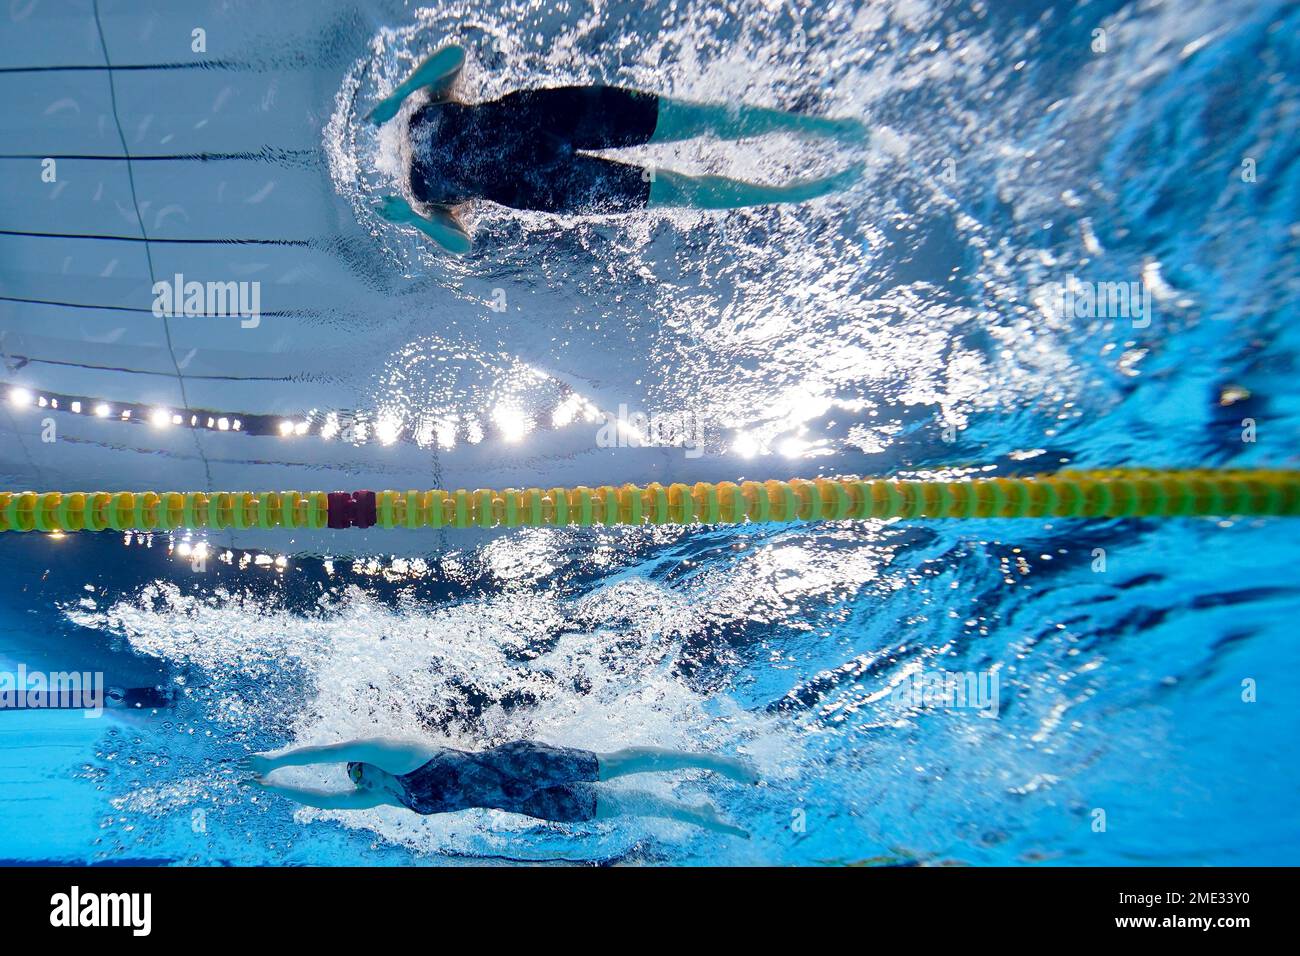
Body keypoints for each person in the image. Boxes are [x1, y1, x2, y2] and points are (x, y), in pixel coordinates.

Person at [369, 44, 866, 253]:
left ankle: (823, 129)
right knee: (677, 193)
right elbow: (462, 243)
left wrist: (396, 95)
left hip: (554, 113)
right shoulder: (424, 196)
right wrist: (412, 219)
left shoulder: (421, 110)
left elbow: (456, 55)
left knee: (693, 119)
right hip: (551, 189)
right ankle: (794, 192)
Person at [240, 737, 756, 838]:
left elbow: (329, 752)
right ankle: (699, 813)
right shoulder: (388, 794)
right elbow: (323, 798)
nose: (354, 779)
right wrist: (275, 787)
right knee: (607, 810)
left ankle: (714, 761)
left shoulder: (393, 755)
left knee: (614, 767)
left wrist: (277, 759)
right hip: (521, 802)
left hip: (520, 765)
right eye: (354, 778)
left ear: (363, 762)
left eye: (356, 771)